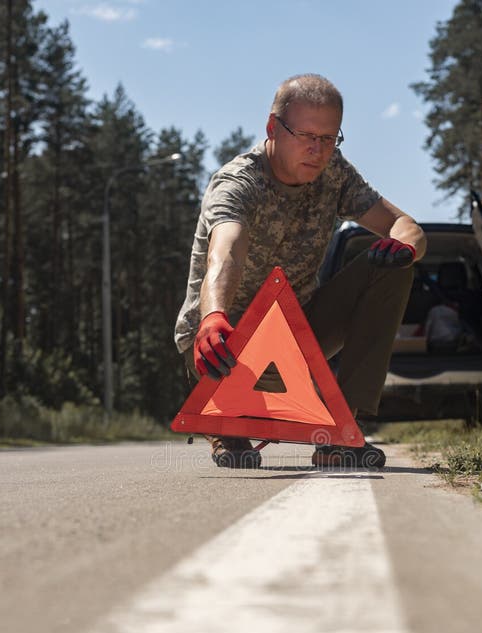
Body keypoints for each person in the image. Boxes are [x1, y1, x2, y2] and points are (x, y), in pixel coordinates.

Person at [174, 73, 427, 469]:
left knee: (393, 268)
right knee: (234, 405)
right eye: (306, 135)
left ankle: (343, 428)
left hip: (296, 333)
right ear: (273, 128)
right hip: (223, 344)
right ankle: (228, 422)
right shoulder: (238, 183)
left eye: (329, 138)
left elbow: (405, 225)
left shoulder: (334, 174)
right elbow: (226, 254)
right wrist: (213, 316)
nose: (318, 150)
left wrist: (405, 247)